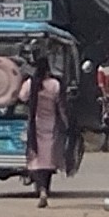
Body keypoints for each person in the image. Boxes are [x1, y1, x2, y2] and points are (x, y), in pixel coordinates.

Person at [20, 42, 65, 207]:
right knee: (48, 160)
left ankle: (41, 190)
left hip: (35, 124)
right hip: (50, 124)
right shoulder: (54, 85)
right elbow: (60, 104)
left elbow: (22, 97)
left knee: (37, 160)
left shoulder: (31, 85)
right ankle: (46, 188)